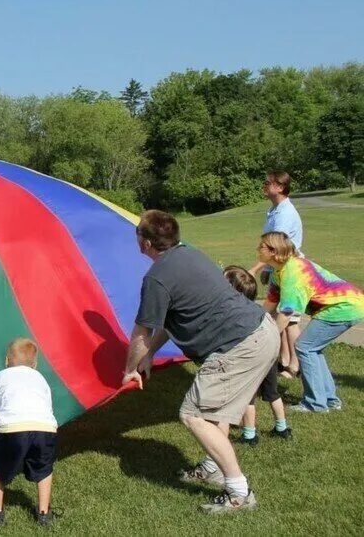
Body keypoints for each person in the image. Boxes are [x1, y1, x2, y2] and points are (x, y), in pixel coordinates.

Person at [123, 210, 279, 514]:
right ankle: (212, 468)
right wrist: (152, 354)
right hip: (262, 330)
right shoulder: (190, 254)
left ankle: (239, 491)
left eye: (139, 233)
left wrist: (130, 368)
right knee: (215, 411)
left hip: (239, 345)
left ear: (146, 242)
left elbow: (142, 332)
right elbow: (170, 320)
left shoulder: (157, 278)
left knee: (193, 414)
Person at [259, 232, 364, 413]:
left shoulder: (293, 272)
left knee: (304, 347)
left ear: (274, 251)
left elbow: (286, 312)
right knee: (312, 348)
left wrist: (267, 337)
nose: (258, 249)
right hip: (346, 305)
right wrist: (254, 323)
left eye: (262, 246)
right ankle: (330, 399)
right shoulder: (279, 270)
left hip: (344, 307)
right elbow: (270, 304)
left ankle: (315, 403)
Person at [0, 338, 58, 528]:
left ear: (7, 361)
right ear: (35, 364)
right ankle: (43, 513)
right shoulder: (40, 379)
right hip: (45, 428)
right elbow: (47, 408)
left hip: (12, 429)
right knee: (44, 467)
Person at [222, 266, 292, 444]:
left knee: (248, 398)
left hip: (252, 359)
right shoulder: (258, 310)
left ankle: (249, 435)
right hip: (269, 356)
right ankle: (282, 428)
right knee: (273, 394)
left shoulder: (234, 314)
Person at [248, 171, 304, 378]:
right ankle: (285, 361)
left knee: (291, 319)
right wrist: (269, 270)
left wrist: (255, 270)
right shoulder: (274, 211)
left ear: (280, 187)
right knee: (278, 317)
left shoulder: (285, 213)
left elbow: (275, 247)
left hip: (290, 271)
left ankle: (295, 365)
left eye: (268, 183)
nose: (264, 186)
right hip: (279, 270)